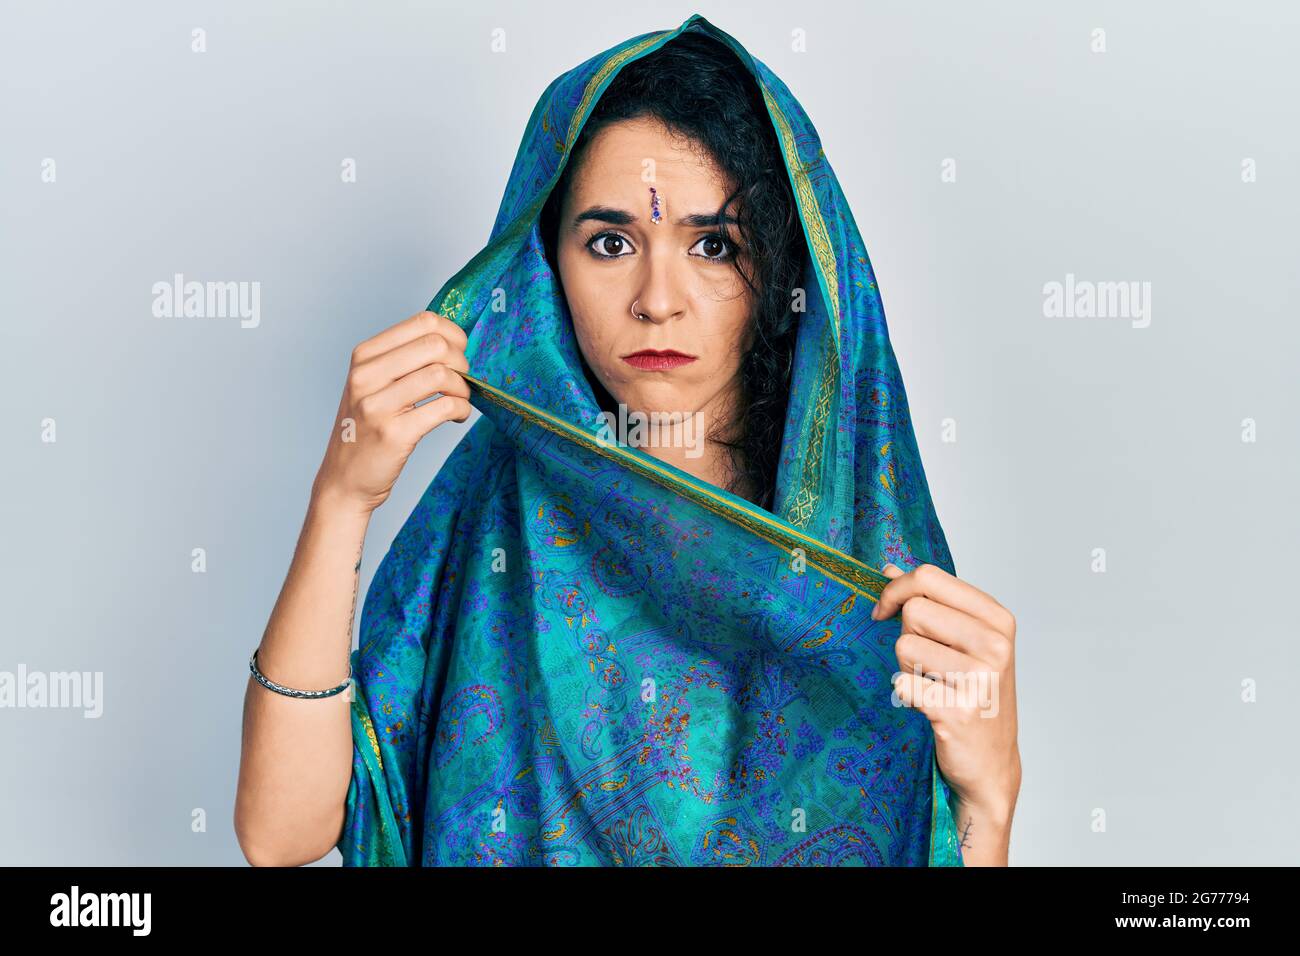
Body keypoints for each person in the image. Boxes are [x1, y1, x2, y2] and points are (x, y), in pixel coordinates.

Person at [235, 13, 1020, 867]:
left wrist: (988, 801)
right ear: (543, 265)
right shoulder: (499, 502)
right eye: (611, 243)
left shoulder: (864, 565)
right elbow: (283, 833)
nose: (657, 298)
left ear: (785, 274)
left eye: (713, 246)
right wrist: (342, 498)